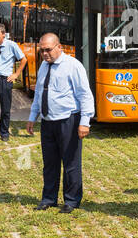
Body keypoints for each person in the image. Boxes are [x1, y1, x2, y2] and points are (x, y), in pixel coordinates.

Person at [27, 32, 94, 213]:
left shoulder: (73, 66)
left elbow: (85, 95)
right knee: (50, 163)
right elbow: (39, 94)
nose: (45, 54)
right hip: (48, 121)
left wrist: (84, 122)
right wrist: (33, 116)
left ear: (59, 47)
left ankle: (71, 200)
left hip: (68, 120)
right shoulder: (43, 66)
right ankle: (49, 198)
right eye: (42, 51)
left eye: (48, 50)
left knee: (71, 162)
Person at [0, 24, 27, 141]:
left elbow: (24, 59)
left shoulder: (12, 45)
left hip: (5, 80)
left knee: (5, 109)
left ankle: (4, 133)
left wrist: (16, 74)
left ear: (3, 34)